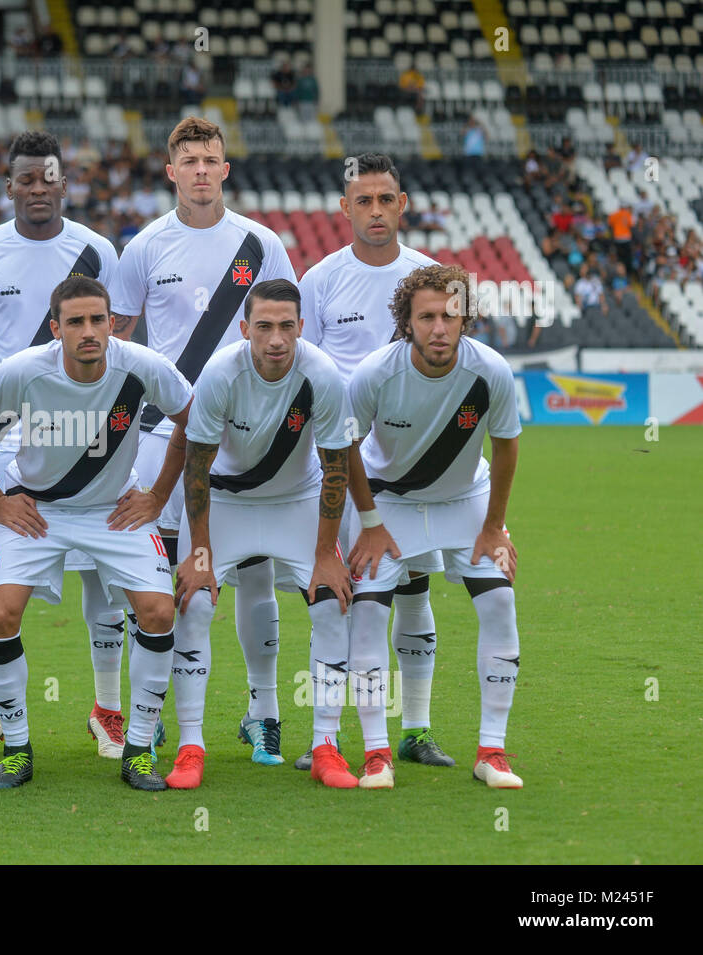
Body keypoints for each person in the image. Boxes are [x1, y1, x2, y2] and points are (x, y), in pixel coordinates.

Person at [0, 275, 194, 790]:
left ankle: (140, 748)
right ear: (55, 328)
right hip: (38, 512)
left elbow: (194, 421)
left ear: (113, 322)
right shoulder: (24, 371)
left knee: (157, 612)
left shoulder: (142, 366)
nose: (89, 331)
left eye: (98, 320)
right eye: (76, 321)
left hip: (115, 511)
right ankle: (17, 749)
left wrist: (156, 494)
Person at [109, 116, 295, 769]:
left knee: (254, 572)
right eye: (187, 159)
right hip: (164, 437)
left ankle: (263, 713)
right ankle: (152, 719)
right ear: (170, 169)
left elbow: (287, 337)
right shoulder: (143, 247)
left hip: (248, 436)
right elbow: (120, 343)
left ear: (224, 168)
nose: (199, 170)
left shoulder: (262, 243)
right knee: (160, 581)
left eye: (210, 159)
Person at [0, 131, 131, 760]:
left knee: (105, 579)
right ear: (9, 186)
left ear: (65, 182)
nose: (37, 189)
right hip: (5, 443)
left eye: (47, 178)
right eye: (25, 179)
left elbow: (116, 342)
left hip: (88, 437)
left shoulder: (97, 249)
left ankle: (108, 709)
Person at [296, 153, 448, 770]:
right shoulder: (321, 280)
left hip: (417, 466)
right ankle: (324, 737)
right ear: (344, 208)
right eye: (365, 201)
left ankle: (414, 730)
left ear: (403, 203)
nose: (377, 211)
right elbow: (305, 373)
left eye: (387, 199)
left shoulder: (434, 278)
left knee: (413, 588)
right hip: (338, 465)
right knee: (335, 592)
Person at [345, 263, 524, 790]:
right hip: (390, 503)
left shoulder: (491, 370)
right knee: (369, 611)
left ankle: (492, 750)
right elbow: (345, 450)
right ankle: (377, 754)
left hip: (465, 498)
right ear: (407, 321)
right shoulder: (375, 373)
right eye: (426, 317)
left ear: (465, 317)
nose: (439, 328)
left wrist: (493, 527)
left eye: (450, 315)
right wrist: (371, 524)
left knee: (499, 600)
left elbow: (507, 447)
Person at [171, 280, 355, 789]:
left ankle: (326, 746)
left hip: (294, 501)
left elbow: (335, 467)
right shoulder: (220, 374)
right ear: (245, 328)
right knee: (195, 602)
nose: (277, 339)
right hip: (226, 501)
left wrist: (325, 554)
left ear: (301, 328)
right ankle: (191, 746)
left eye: (288, 327)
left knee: (330, 601)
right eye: (266, 327)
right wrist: (201, 554)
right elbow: (197, 466)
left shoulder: (322, 374)